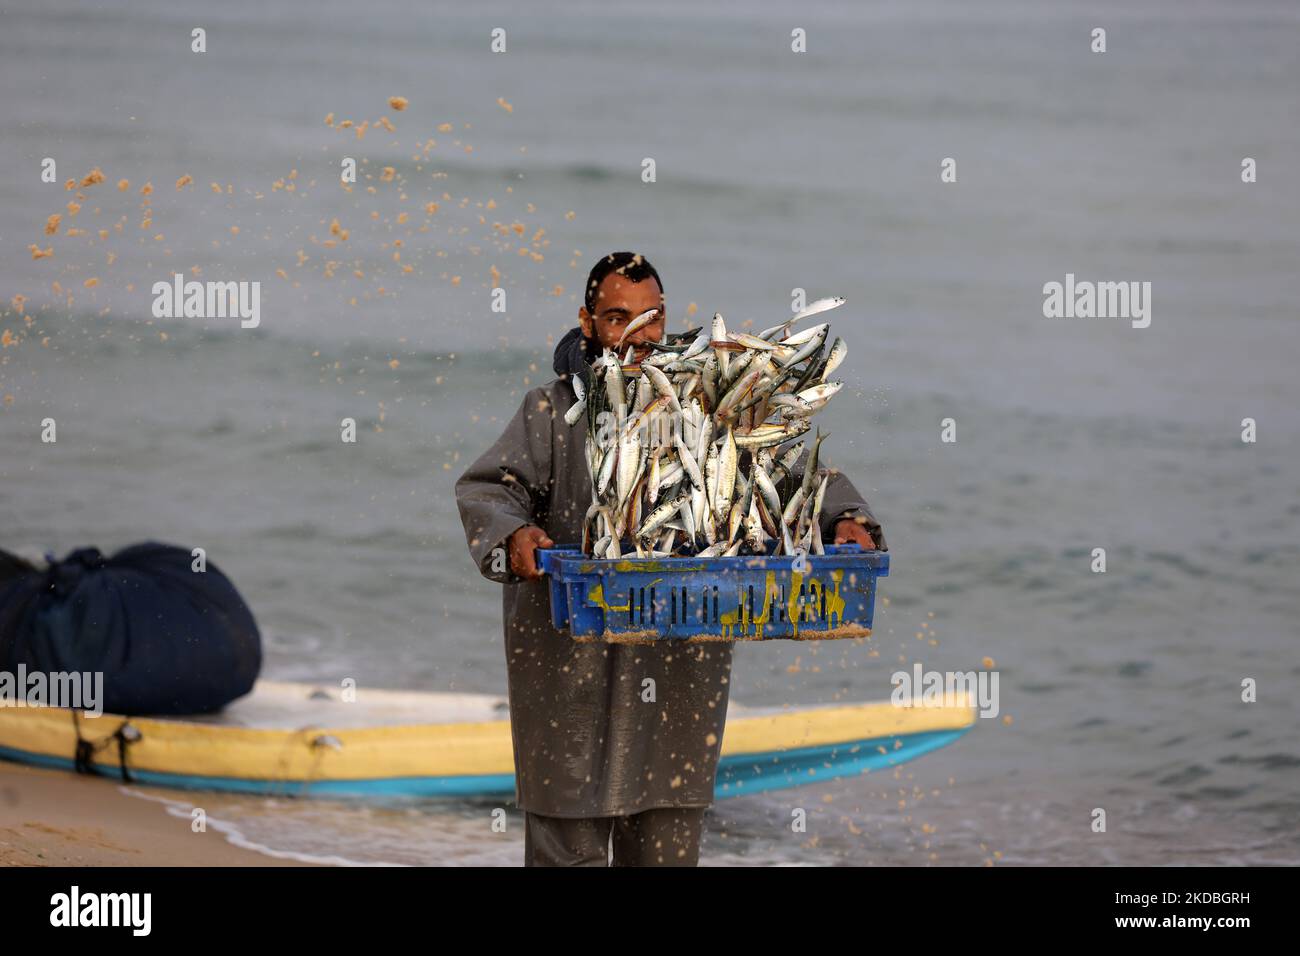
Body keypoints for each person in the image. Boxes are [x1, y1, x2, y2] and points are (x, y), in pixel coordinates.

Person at [454, 251, 887, 866]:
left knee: (666, 850)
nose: (636, 335)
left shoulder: (714, 407)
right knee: (565, 849)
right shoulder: (550, 412)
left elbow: (794, 478)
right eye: (616, 317)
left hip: (679, 689)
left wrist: (846, 520)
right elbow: (490, 489)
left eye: (650, 318)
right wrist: (513, 537)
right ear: (587, 322)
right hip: (566, 682)